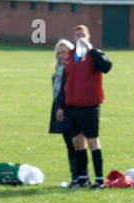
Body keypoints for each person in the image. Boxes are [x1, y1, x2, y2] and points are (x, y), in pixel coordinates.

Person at [61, 24, 111, 187]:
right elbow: (64, 82)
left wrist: (91, 49)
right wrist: (61, 106)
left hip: (90, 105)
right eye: (77, 35)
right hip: (72, 106)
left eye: (83, 35)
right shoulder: (70, 56)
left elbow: (106, 66)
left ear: (88, 37)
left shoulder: (93, 55)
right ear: (73, 39)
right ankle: (82, 178)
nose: (80, 38)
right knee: (77, 143)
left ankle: (99, 179)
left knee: (92, 142)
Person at [48, 39, 74, 179]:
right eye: (59, 53)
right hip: (59, 109)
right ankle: (74, 175)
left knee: (77, 144)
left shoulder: (73, 71)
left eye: (65, 52)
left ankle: (81, 176)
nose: (62, 55)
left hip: (71, 109)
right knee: (69, 144)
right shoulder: (57, 72)